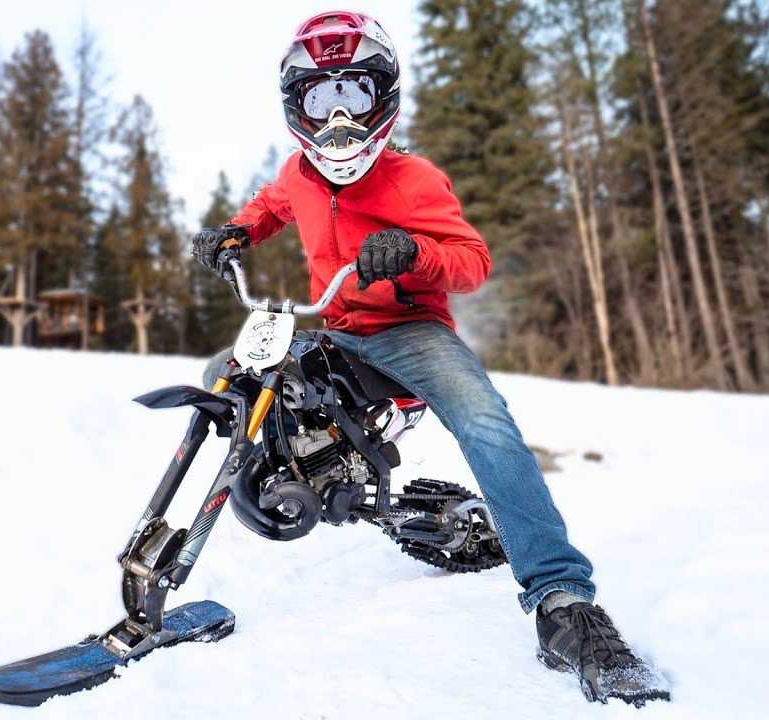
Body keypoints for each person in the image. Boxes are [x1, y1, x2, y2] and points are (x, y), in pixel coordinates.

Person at [192, 11, 668, 706]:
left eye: (353, 93)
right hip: (333, 322)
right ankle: (311, 473)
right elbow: (272, 205)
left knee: (484, 418)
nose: (338, 116)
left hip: (409, 329)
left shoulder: (413, 178)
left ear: (382, 94)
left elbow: (472, 262)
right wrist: (235, 233)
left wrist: (414, 254)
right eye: (321, 98)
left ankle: (563, 601)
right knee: (226, 374)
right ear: (297, 106)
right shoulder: (298, 172)